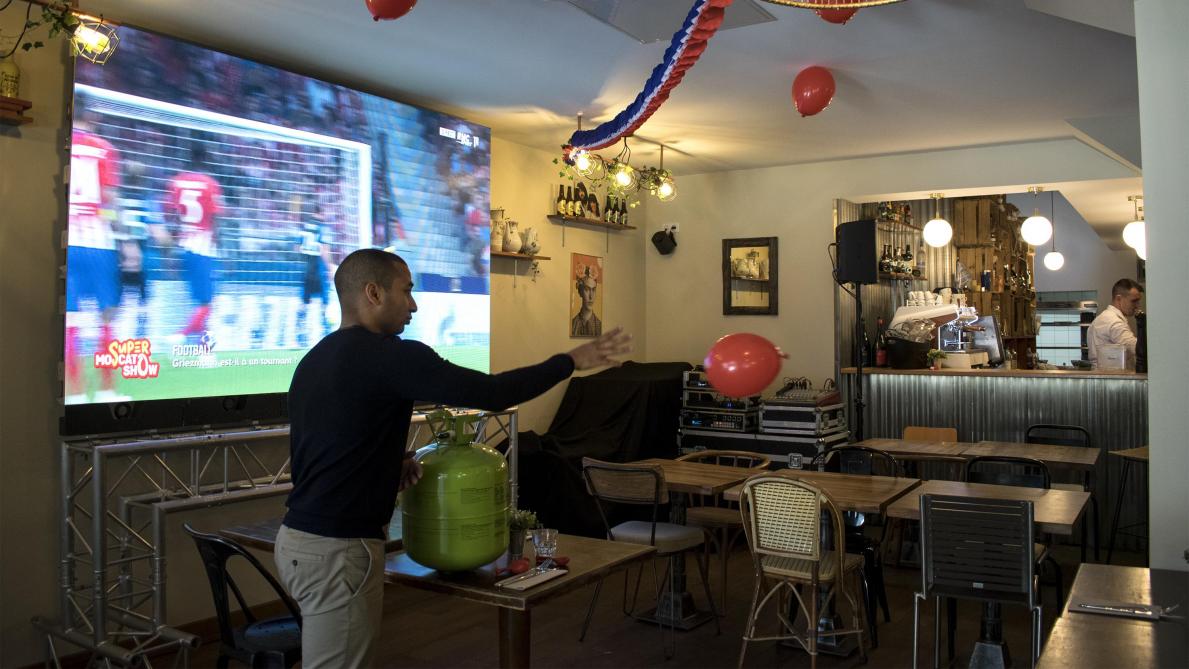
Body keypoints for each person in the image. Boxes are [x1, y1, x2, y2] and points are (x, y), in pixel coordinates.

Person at [276, 248, 631, 668]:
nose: (414, 304)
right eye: (406, 291)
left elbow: (324, 451)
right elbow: (493, 394)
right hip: (339, 551)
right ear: (373, 293)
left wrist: (391, 465)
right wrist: (569, 361)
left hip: (297, 542)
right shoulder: (393, 356)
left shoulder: (313, 360)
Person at [65, 112, 128, 403]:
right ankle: (106, 391)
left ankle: (74, 394)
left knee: (71, 321)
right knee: (106, 319)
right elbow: (110, 201)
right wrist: (125, 239)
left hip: (69, 242)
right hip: (98, 242)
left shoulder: (61, 142)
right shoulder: (104, 148)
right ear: (91, 117)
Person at [165, 140, 225, 343]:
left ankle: (205, 351)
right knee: (207, 302)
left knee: (202, 301)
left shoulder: (176, 182)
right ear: (205, 158)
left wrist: (172, 252)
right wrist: (220, 248)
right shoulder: (210, 184)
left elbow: (173, 218)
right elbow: (216, 220)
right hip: (203, 248)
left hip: (183, 245)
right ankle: (182, 334)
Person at [1087, 278, 1143, 369]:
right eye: (1134, 301)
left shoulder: (1102, 318)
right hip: (1113, 378)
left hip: (1104, 377)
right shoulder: (1114, 321)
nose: (1138, 305)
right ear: (1119, 299)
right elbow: (1137, 348)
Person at [570, 265, 602, 337]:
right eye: (587, 289)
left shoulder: (599, 325)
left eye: (593, 290)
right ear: (580, 292)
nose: (591, 296)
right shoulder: (573, 324)